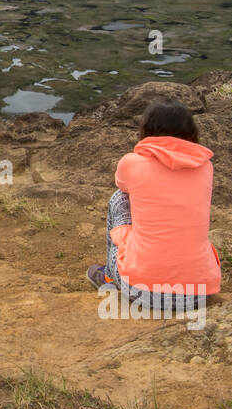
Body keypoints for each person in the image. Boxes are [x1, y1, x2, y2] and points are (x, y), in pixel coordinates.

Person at [87, 98, 221, 311]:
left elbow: (122, 185)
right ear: (191, 132)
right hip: (198, 294)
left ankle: (109, 276)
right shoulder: (206, 166)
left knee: (119, 198)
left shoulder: (132, 163)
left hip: (141, 291)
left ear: (146, 130)